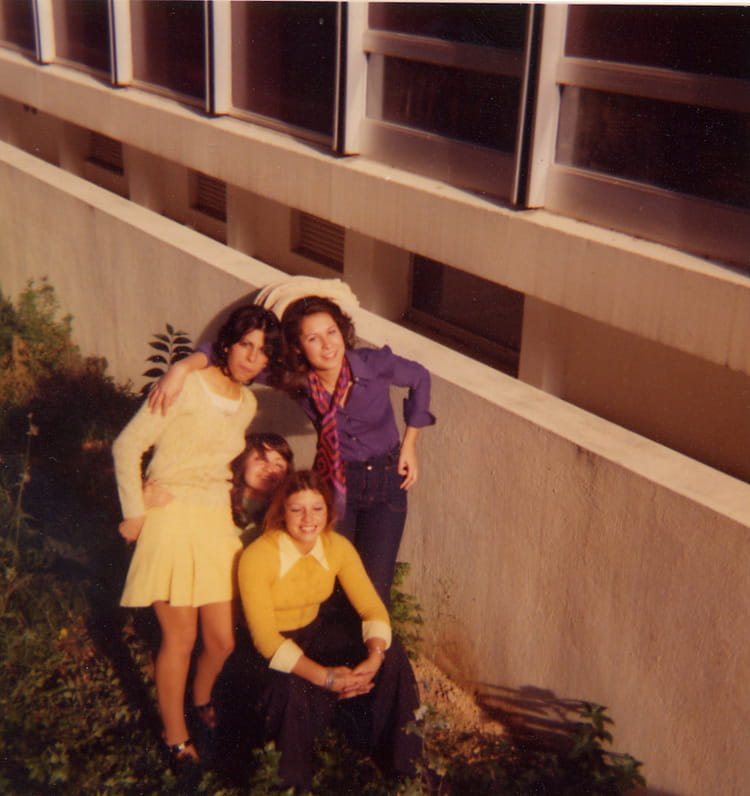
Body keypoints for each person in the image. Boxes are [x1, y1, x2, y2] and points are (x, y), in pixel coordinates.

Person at [148, 287, 435, 605]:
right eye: (313, 338)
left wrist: (410, 444)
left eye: (331, 332)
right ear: (298, 347)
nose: (327, 345)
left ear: (342, 331)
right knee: (330, 584)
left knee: (373, 591)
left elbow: (420, 378)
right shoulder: (296, 379)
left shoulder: (374, 364)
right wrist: (180, 368)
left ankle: (375, 639)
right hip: (334, 486)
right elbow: (221, 353)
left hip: (387, 483)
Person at [112, 304, 280, 770]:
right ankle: (175, 735)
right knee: (180, 638)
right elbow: (127, 445)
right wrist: (135, 513)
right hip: (169, 514)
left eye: (263, 351)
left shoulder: (247, 403)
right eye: (245, 344)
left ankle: (200, 697)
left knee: (223, 641)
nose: (252, 357)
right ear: (227, 343)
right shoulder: (185, 384)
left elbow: (218, 464)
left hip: (214, 524)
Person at [237, 469, 421, 791]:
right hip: (269, 648)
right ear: (282, 512)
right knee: (288, 688)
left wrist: (375, 656)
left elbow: (372, 607)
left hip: (313, 630)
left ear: (329, 510)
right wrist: (326, 678)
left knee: (391, 653)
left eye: (317, 508)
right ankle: (292, 787)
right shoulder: (258, 556)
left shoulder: (336, 546)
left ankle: (405, 768)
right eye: (297, 509)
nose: (308, 519)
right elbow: (265, 640)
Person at [230, 432, 294, 546]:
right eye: (260, 459)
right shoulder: (221, 502)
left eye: (278, 464)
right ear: (243, 462)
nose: (269, 468)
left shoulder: (287, 514)